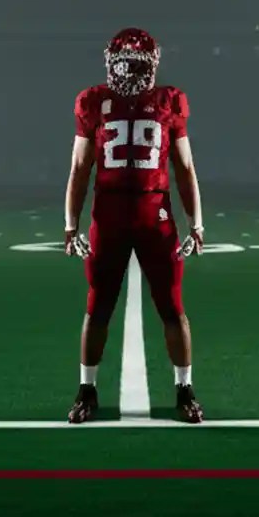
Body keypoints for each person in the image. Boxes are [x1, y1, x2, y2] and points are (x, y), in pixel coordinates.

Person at [63, 27, 205, 424]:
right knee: (98, 307)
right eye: (124, 62)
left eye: (136, 63)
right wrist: (70, 225)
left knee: (172, 308)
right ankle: (86, 389)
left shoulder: (168, 101)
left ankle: (185, 388)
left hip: (154, 216)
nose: (128, 70)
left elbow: (184, 167)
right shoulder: (93, 101)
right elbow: (79, 167)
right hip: (108, 215)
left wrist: (198, 224)